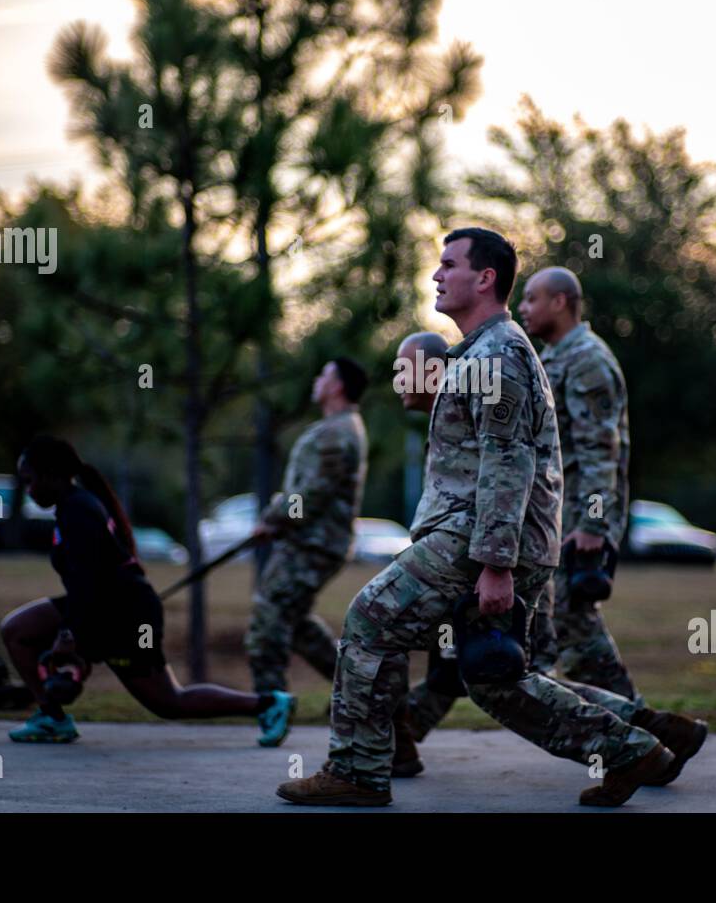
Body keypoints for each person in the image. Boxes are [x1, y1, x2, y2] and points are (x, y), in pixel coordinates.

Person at [277, 227, 670, 808]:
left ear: (484, 278)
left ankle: (359, 770)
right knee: (493, 680)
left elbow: (507, 461)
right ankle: (629, 748)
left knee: (369, 621)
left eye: (448, 264)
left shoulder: (498, 354)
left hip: (475, 540)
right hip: (483, 537)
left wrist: (495, 564)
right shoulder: (482, 352)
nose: (436, 275)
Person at [390, 331, 697, 787]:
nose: (397, 381)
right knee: (508, 670)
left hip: (506, 559)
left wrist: (504, 562)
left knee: (485, 668)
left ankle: (635, 744)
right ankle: (647, 730)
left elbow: (517, 476)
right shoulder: (462, 399)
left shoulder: (488, 387)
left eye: (402, 369)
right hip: (516, 554)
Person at [519, 265, 708, 780]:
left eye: (532, 299)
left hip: (576, 521)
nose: (524, 308)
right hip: (560, 518)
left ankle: (649, 742)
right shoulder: (559, 357)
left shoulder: (587, 361)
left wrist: (593, 527)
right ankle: (658, 738)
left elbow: (601, 448)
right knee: (580, 641)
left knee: (566, 637)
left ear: (562, 302)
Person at [1, 435, 291, 744]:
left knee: (169, 702)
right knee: (17, 629)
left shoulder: (79, 510)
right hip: (105, 607)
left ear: (50, 473)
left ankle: (269, 703)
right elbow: (87, 585)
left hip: (128, 615)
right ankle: (51, 716)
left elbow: (88, 582)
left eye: (30, 481)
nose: (28, 490)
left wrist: (70, 637)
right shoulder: (72, 506)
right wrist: (78, 644)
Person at [245, 358, 368, 744]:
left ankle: (272, 704)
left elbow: (310, 497)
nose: (317, 380)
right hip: (310, 542)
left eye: (323, 374)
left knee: (267, 623)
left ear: (338, 386)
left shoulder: (337, 433)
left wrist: (273, 518)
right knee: (295, 625)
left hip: (311, 545)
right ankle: (364, 695)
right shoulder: (338, 428)